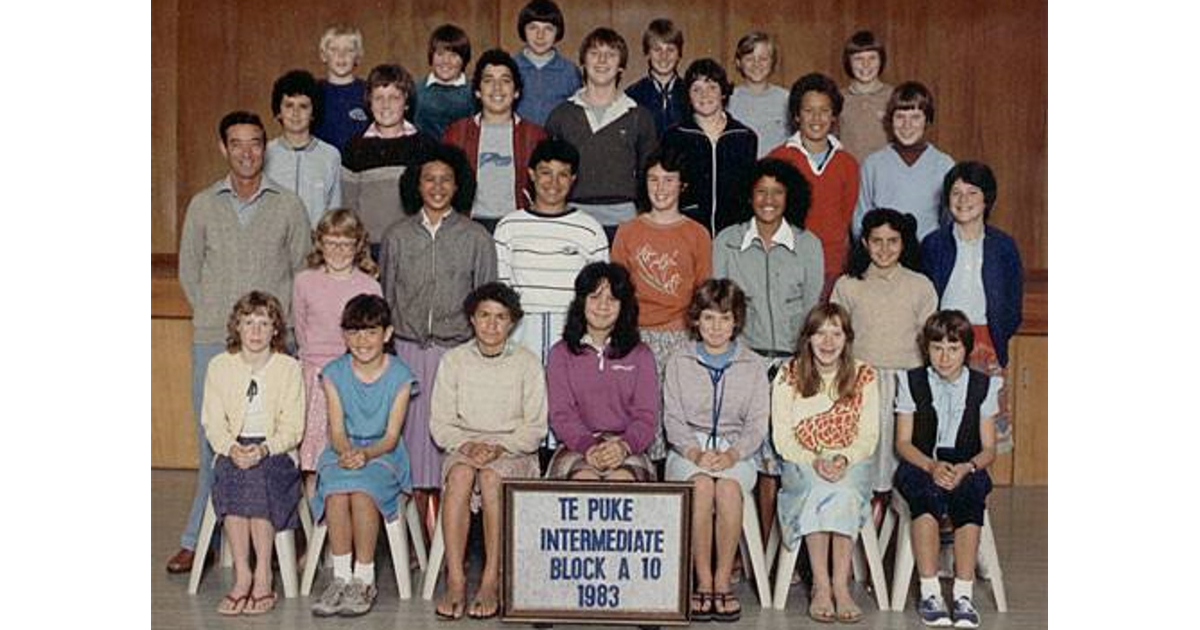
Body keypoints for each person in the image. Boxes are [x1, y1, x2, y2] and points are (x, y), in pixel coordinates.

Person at [169, 110, 310, 575]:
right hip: (215, 340)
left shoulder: (288, 205)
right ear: (223, 148)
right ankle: (199, 538)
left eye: (255, 143)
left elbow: (302, 274)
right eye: (237, 143)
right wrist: (219, 320)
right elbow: (190, 271)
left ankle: (281, 536)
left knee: (273, 439)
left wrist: (278, 333)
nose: (247, 152)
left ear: (265, 148)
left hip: (273, 346)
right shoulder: (203, 204)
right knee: (214, 440)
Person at [378, 143, 498, 543]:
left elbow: (486, 301)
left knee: (449, 448)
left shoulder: (476, 237)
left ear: (458, 185)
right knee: (410, 448)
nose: (437, 186)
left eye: (446, 179)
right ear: (416, 184)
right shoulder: (397, 236)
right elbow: (386, 296)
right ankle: (413, 541)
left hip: (456, 355)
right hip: (407, 353)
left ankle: (449, 541)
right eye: (429, 179)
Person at [712, 157, 823, 546]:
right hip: (743, 361)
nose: (769, 200)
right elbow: (720, 308)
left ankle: (781, 550)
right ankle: (746, 550)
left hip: (794, 364)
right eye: (761, 192)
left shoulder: (807, 244)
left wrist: (801, 365)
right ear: (749, 196)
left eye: (777, 192)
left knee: (783, 460)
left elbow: (812, 310)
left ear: (790, 197)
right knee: (746, 457)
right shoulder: (727, 241)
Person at [430, 282, 548, 620]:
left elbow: (535, 427)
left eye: (501, 317)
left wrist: (500, 447)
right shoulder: (454, 360)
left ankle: (490, 579)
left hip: (512, 448)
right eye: (484, 316)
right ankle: (455, 580)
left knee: (492, 478)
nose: (492, 325)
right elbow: (440, 423)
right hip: (465, 445)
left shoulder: (527, 363)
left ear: (512, 322)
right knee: (461, 475)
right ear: (472, 319)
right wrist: (467, 445)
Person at [663, 278, 769, 623]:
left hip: (736, 451)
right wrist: (694, 453)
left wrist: (733, 455)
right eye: (708, 317)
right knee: (701, 485)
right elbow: (673, 418)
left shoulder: (753, 365)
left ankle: (723, 580)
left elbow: (757, 424)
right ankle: (703, 580)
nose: (716, 327)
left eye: (725, 318)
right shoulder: (679, 360)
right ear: (696, 319)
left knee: (727, 488)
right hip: (687, 450)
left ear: (736, 321)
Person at [772, 303, 879, 623]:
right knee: (818, 489)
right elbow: (783, 438)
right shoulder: (788, 374)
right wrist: (814, 461)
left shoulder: (864, 374)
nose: (828, 342)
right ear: (808, 338)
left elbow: (868, 436)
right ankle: (821, 585)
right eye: (820, 334)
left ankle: (841, 586)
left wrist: (844, 459)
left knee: (843, 490)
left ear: (847, 339)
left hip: (852, 461)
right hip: (802, 460)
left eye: (836, 333)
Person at [893, 310, 1001, 629]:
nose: (944, 357)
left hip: (966, 464)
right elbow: (903, 442)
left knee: (970, 495)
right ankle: (930, 591)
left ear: (966, 350)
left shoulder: (982, 386)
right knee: (925, 495)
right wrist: (930, 466)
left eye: (953, 349)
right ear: (926, 348)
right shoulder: (912, 381)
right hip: (921, 461)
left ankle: (963, 593)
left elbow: (989, 449)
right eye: (937, 348)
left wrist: (968, 467)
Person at [309, 294, 415, 618]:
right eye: (353, 332)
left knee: (362, 491)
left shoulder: (400, 375)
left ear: (387, 334)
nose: (362, 340)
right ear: (344, 335)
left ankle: (364, 578)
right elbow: (336, 430)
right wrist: (346, 453)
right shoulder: (333, 373)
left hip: (383, 452)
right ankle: (341, 576)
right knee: (337, 491)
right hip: (342, 450)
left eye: (371, 332)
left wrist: (365, 455)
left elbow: (391, 436)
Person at [203, 291, 304, 616]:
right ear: (237, 327)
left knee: (259, 476)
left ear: (276, 329)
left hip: (275, 449)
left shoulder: (288, 368)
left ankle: (263, 573)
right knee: (234, 474)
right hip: (233, 446)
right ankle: (242, 573)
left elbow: (293, 427)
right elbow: (213, 423)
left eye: (264, 323)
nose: (256, 331)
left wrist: (263, 449)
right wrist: (231, 448)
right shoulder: (220, 366)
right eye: (248, 323)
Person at [610, 146, 711, 466]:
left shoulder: (697, 234)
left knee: (678, 416)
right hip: (638, 336)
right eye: (653, 179)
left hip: (681, 336)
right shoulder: (628, 231)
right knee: (640, 417)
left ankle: (677, 479)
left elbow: (703, 294)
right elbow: (617, 292)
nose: (661, 188)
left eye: (669, 180)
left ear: (682, 185)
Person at [830, 208, 937, 513]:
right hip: (861, 382)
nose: (885, 249)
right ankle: (863, 520)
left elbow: (929, 339)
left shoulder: (920, 285)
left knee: (899, 456)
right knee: (865, 455)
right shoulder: (848, 285)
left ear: (903, 243)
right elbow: (836, 336)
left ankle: (896, 523)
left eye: (893, 241)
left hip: (907, 383)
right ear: (865, 243)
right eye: (877, 241)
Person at [920, 161, 1023, 455]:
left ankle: (979, 483)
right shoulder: (933, 244)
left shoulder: (1003, 246)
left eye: (972, 192)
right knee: (944, 423)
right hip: (943, 343)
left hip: (986, 343)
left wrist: (995, 336)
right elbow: (922, 298)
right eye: (956, 193)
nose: (963, 200)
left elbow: (1013, 305)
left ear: (986, 199)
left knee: (984, 427)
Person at [493, 137, 609, 366]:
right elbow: (502, 288)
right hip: (520, 335)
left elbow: (600, 292)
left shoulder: (590, 229)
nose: (553, 182)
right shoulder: (508, 226)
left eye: (563, 174)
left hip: (572, 335)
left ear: (573, 179)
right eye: (546, 173)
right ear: (532, 174)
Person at [293, 209, 382, 502]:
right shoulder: (304, 281)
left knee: (342, 457)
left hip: (352, 376)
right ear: (319, 243)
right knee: (312, 461)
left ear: (358, 245)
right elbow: (300, 329)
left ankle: (340, 525)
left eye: (346, 244)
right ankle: (316, 523)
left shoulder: (369, 285)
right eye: (331, 243)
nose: (338, 251)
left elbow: (373, 336)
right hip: (313, 375)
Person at [545, 262, 660, 481]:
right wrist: (588, 446)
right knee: (584, 479)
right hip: (576, 445)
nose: (603, 306)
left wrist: (624, 446)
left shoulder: (641, 354)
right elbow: (561, 414)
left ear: (623, 306)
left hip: (626, 445)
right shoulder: (560, 353)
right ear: (582, 302)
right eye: (595, 297)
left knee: (622, 479)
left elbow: (646, 416)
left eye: (612, 299)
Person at [544, 27, 658, 237]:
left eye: (611, 55)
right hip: (573, 215)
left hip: (624, 217)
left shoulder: (639, 116)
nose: (602, 61)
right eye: (594, 53)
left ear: (621, 66)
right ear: (583, 62)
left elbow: (649, 172)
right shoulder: (561, 115)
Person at [769, 72, 859, 298]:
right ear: (796, 115)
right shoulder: (778, 159)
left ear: (834, 116)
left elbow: (845, 217)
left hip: (833, 267)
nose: (816, 118)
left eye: (824, 110)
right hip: (788, 265)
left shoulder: (847, 163)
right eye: (808, 110)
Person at [442, 48, 547, 233]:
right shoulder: (457, 133)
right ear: (477, 91)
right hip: (469, 226)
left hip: (519, 225)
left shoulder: (535, 136)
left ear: (516, 91)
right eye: (488, 80)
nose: (497, 88)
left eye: (505, 81)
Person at [340, 63, 438, 258]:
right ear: (369, 103)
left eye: (394, 98)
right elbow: (348, 206)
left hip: (415, 248)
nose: (386, 105)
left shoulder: (426, 146)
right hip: (368, 250)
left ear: (406, 103)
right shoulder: (354, 148)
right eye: (379, 98)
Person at [662, 57, 758, 236]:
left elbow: (749, 192)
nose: (704, 95)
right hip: (687, 232)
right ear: (688, 96)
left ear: (723, 92)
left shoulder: (744, 137)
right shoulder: (675, 136)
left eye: (712, 87)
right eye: (696, 89)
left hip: (733, 233)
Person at [853, 81, 954, 241]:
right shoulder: (873, 165)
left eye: (915, 117)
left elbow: (950, 220)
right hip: (884, 253)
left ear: (927, 120)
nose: (907, 125)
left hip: (928, 253)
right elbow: (860, 221)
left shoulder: (944, 165)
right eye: (900, 117)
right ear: (890, 120)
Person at [266, 69, 343, 227]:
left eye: (303, 106)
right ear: (278, 111)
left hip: (315, 240)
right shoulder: (265, 153)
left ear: (313, 112)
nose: (295, 113)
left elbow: (335, 210)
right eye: (289, 105)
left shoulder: (330, 155)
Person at [512, 0, 581, 126]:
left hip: (557, 138)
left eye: (548, 29)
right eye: (533, 28)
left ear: (558, 32)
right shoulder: (509, 67)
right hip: (515, 137)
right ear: (523, 30)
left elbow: (578, 117)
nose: (540, 35)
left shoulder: (570, 71)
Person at [624, 18, 688, 138]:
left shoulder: (690, 94)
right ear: (647, 53)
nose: (664, 56)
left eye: (670, 50)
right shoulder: (632, 96)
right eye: (657, 49)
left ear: (679, 54)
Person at [728, 31, 789, 158]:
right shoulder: (728, 99)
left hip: (776, 168)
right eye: (749, 59)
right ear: (738, 62)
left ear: (772, 62)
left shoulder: (786, 99)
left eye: (763, 59)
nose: (756, 64)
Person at [413, 24, 477, 140]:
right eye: (440, 54)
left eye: (453, 55)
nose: (446, 61)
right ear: (431, 56)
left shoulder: (475, 93)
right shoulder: (415, 91)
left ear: (464, 59)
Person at [313, 25, 370, 152]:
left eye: (349, 50)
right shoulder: (314, 91)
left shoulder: (368, 91)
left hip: (359, 161)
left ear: (358, 57)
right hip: (322, 161)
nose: (341, 55)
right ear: (323, 55)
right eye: (334, 49)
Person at [838, 30, 893, 162]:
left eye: (872, 58)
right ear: (848, 62)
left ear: (881, 60)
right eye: (858, 59)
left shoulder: (893, 96)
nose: (866, 64)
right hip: (849, 170)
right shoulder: (838, 98)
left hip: (885, 170)